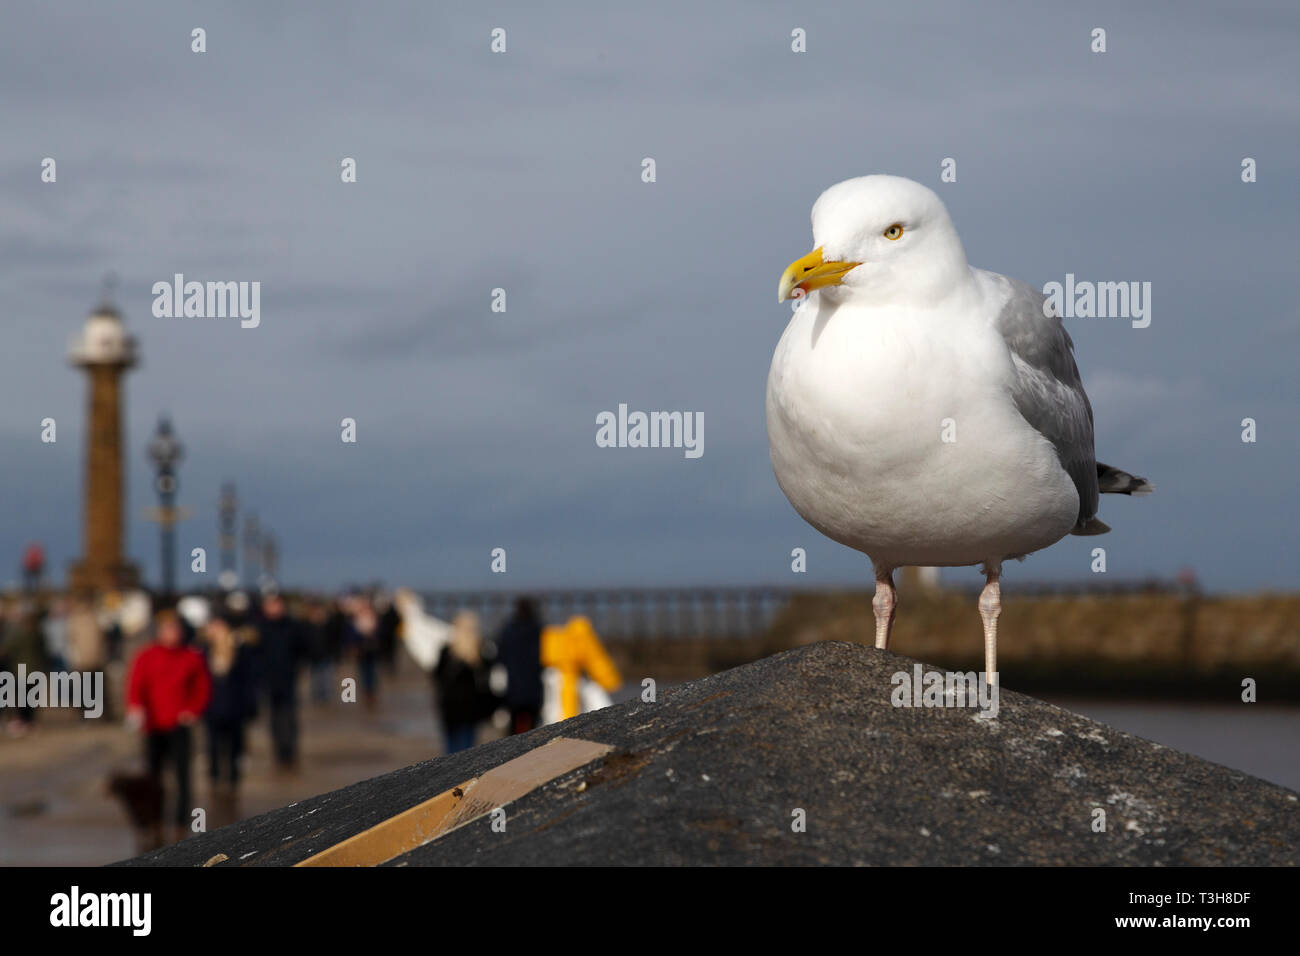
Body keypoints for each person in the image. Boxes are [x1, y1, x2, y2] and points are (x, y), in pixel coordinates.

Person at [125, 608, 211, 845]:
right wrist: (135, 708)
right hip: (153, 727)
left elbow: (202, 687)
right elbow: (135, 684)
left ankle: (181, 826)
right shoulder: (146, 656)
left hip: (179, 727)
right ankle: (154, 823)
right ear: (159, 631)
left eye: (176, 628)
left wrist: (193, 710)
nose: (172, 633)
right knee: (153, 781)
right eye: (167, 628)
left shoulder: (191, 656)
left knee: (183, 780)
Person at [201, 616, 258, 825]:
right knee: (213, 746)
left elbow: (248, 679)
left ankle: (233, 781)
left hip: (235, 708)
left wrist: (251, 705)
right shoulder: (203, 650)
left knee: (235, 746)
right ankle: (215, 780)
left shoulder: (240, 650)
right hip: (212, 708)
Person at [253, 592, 305, 772]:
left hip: (288, 678)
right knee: (275, 718)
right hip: (269, 680)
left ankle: (290, 752)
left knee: (289, 717)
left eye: (277, 604)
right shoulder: (259, 627)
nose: (274, 608)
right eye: (270, 605)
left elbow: (301, 648)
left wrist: (297, 667)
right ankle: (280, 753)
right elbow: (253, 654)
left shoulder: (292, 625)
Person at [541, 615, 622, 723]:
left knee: (553, 708)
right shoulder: (581, 635)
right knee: (589, 698)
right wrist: (611, 681)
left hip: (551, 675)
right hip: (568, 677)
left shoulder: (551, 635)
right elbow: (596, 659)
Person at [433, 611, 493, 753]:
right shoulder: (479, 652)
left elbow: (437, 676)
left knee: (451, 749)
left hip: (450, 706)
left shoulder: (446, 651)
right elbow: (488, 676)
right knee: (469, 750)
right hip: (471, 707)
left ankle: (451, 774)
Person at [495, 597, 544, 734]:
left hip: (513, 688)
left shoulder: (508, 631)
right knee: (533, 730)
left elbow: (500, 657)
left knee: (513, 730)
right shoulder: (538, 630)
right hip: (534, 687)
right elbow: (544, 658)